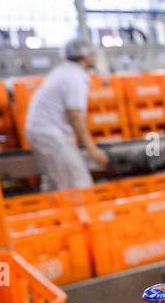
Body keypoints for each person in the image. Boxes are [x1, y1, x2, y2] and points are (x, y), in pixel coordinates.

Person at [24, 39, 109, 191]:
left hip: (44, 133)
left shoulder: (65, 72)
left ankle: (53, 214)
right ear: (84, 56)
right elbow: (75, 116)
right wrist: (92, 149)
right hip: (50, 135)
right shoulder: (75, 78)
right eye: (92, 54)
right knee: (78, 184)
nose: (95, 57)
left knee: (57, 184)